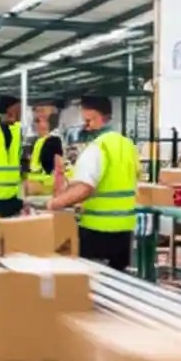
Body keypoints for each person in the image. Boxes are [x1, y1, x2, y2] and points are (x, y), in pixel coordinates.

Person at [46, 96, 138, 271]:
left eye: (88, 120)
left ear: (102, 118)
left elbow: (85, 188)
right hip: (125, 229)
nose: (85, 126)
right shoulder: (127, 145)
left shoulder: (98, 147)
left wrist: (54, 203)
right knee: (118, 282)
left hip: (98, 230)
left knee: (94, 283)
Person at [27, 104, 68, 196]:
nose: (34, 124)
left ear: (48, 123)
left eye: (37, 121)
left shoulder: (52, 142)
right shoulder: (41, 141)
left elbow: (55, 169)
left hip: (48, 192)